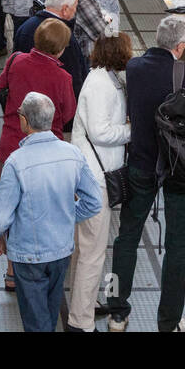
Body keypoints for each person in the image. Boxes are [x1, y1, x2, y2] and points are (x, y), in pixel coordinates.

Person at [108, 16, 185, 333]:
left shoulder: (135, 67)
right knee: (178, 245)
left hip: (140, 164)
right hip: (178, 168)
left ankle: (117, 314)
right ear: (181, 46)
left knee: (127, 237)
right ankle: (169, 320)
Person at [0, 92, 101, 332]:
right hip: (61, 251)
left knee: (35, 322)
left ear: (25, 121)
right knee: (49, 314)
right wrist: (66, 217)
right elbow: (93, 202)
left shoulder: (16, 162)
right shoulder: (72, 154)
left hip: (27, 255)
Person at [67, 29, 134, 332]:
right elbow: (100, 132)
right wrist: (130, 131)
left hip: (90, 174)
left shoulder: (102, 78)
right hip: (95, 179)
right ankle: (80, 320)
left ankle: (85, 303)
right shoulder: (101, 85)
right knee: (93, 251)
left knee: (84, 247)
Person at [0, 18, 77, 167]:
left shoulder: (15, 61)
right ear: (60, 50)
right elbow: (68, 113)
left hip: (12, 145)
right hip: (47, 152)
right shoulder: (63, 78)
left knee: (6, 189)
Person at [13, 0, 88, 97]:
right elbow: (75, 81)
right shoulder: (64, 39)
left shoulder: (25, 27)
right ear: (65, 9)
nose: (76, 10)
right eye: (75, 6)